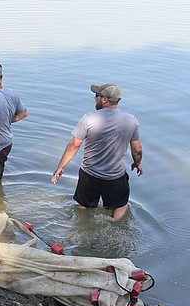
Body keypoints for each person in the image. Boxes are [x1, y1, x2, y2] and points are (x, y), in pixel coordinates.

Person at [51, 83, 143, 221]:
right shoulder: (131, 120)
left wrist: (60, 167)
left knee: (83, 206)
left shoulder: (89, 118)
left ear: (105, 99)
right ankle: (114, 227)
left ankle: (82, 226)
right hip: (115, 177)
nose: (95, 99)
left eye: (97, 96)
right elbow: (137, 149)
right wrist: (137, 163)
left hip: (89, 175)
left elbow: (74, 145)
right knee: (121, 206)